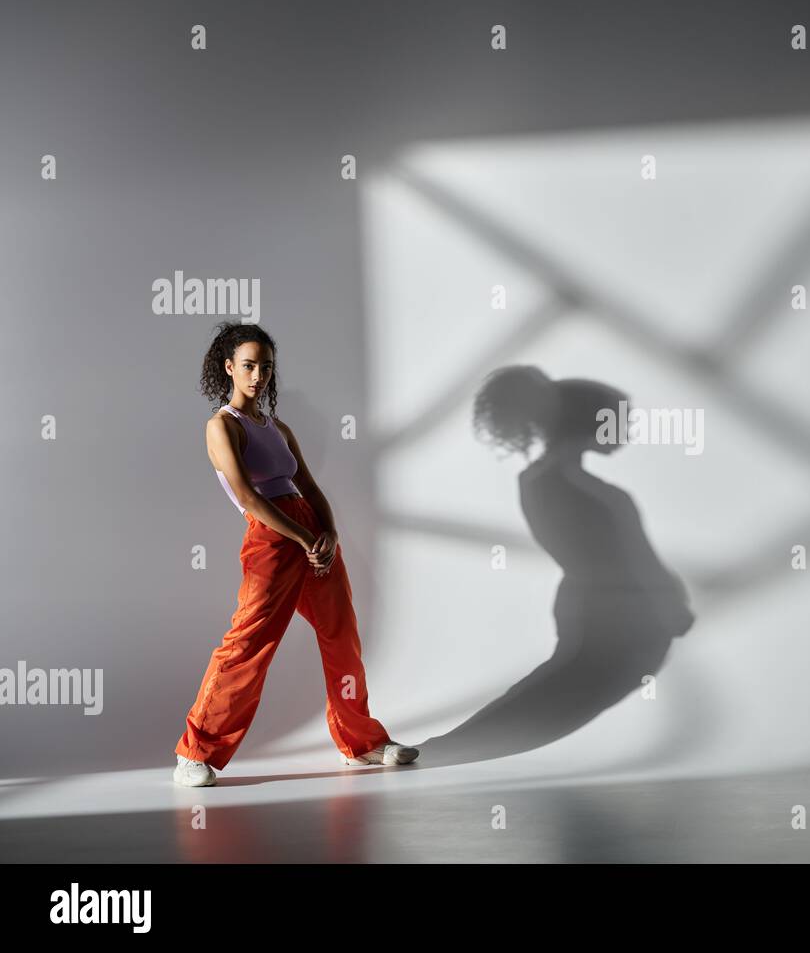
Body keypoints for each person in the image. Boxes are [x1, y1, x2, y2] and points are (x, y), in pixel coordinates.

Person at [172, 321, 418, 787]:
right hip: (270, 540)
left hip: (311, 535)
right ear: (229, 368)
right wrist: (305, 540)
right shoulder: (223, 425)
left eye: (265, 367)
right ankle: (195, 752)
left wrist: (328, 532)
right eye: (248, 366)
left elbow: (307, 485)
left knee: (342, 634)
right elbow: (248, 498)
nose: (258, 375)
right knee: (248, 644)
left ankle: (362, 743)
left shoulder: (278, 427)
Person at [418, 365, 692, 764]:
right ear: (589, 421)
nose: (628, 431)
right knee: (561, 698)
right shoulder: (596, 492)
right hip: (620, 615)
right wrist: (671, 607)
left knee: (558, 695)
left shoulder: (535, 479)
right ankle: (444, 750)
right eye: (620, 421)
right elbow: (635, 558)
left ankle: (445, 750)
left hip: (594, 607)